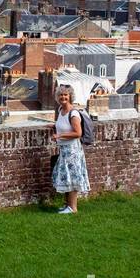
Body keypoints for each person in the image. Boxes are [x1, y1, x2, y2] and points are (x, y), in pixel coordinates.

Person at [52, 84, 90, 214]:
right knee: (65, 176)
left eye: (65, 95)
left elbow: (78, 133)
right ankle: (67, 205)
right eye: (61, 95)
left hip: (73, 150)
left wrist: (60, 135)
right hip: (64, 149)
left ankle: (73, 208)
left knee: (73, 177)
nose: (63, 97)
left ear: (70, 97)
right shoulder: (60, 110)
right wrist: (53, 127)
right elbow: (62, 125)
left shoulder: (73, 114)